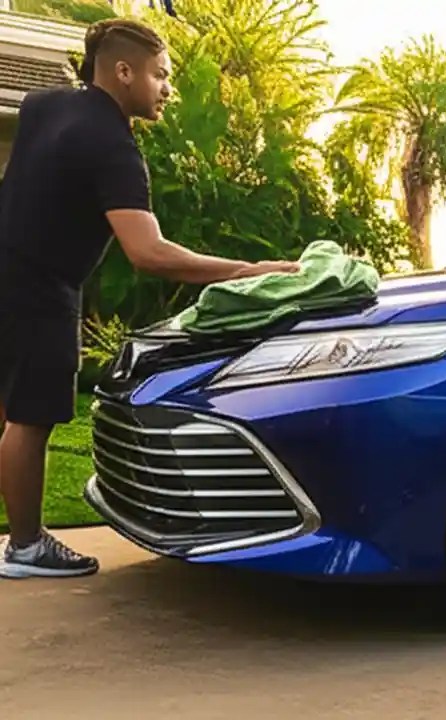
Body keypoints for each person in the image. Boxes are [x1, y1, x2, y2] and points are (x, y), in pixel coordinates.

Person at [0, 18, 299, 579]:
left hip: (6, 264)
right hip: (38, 288)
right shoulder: (113, 145)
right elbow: (150, 254)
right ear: (122, 71)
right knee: (30, 419)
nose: (167, 89)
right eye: (161, 75)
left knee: (7, 409)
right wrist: (248, 270)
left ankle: (20, 537)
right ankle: (24, 547)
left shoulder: (44, 105)